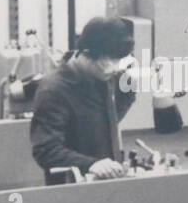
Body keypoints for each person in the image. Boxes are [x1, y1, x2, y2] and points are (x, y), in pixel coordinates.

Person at [30, 16, 137, 183]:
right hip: (70, 191)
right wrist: (91, 164)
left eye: (119, 61)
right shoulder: (54, 90)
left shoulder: (106, 75)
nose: (114, 68)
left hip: (108, 183)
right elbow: (46, 150)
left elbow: (127, 93)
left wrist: (110, 122)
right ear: (85, 53)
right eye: (108, 61)